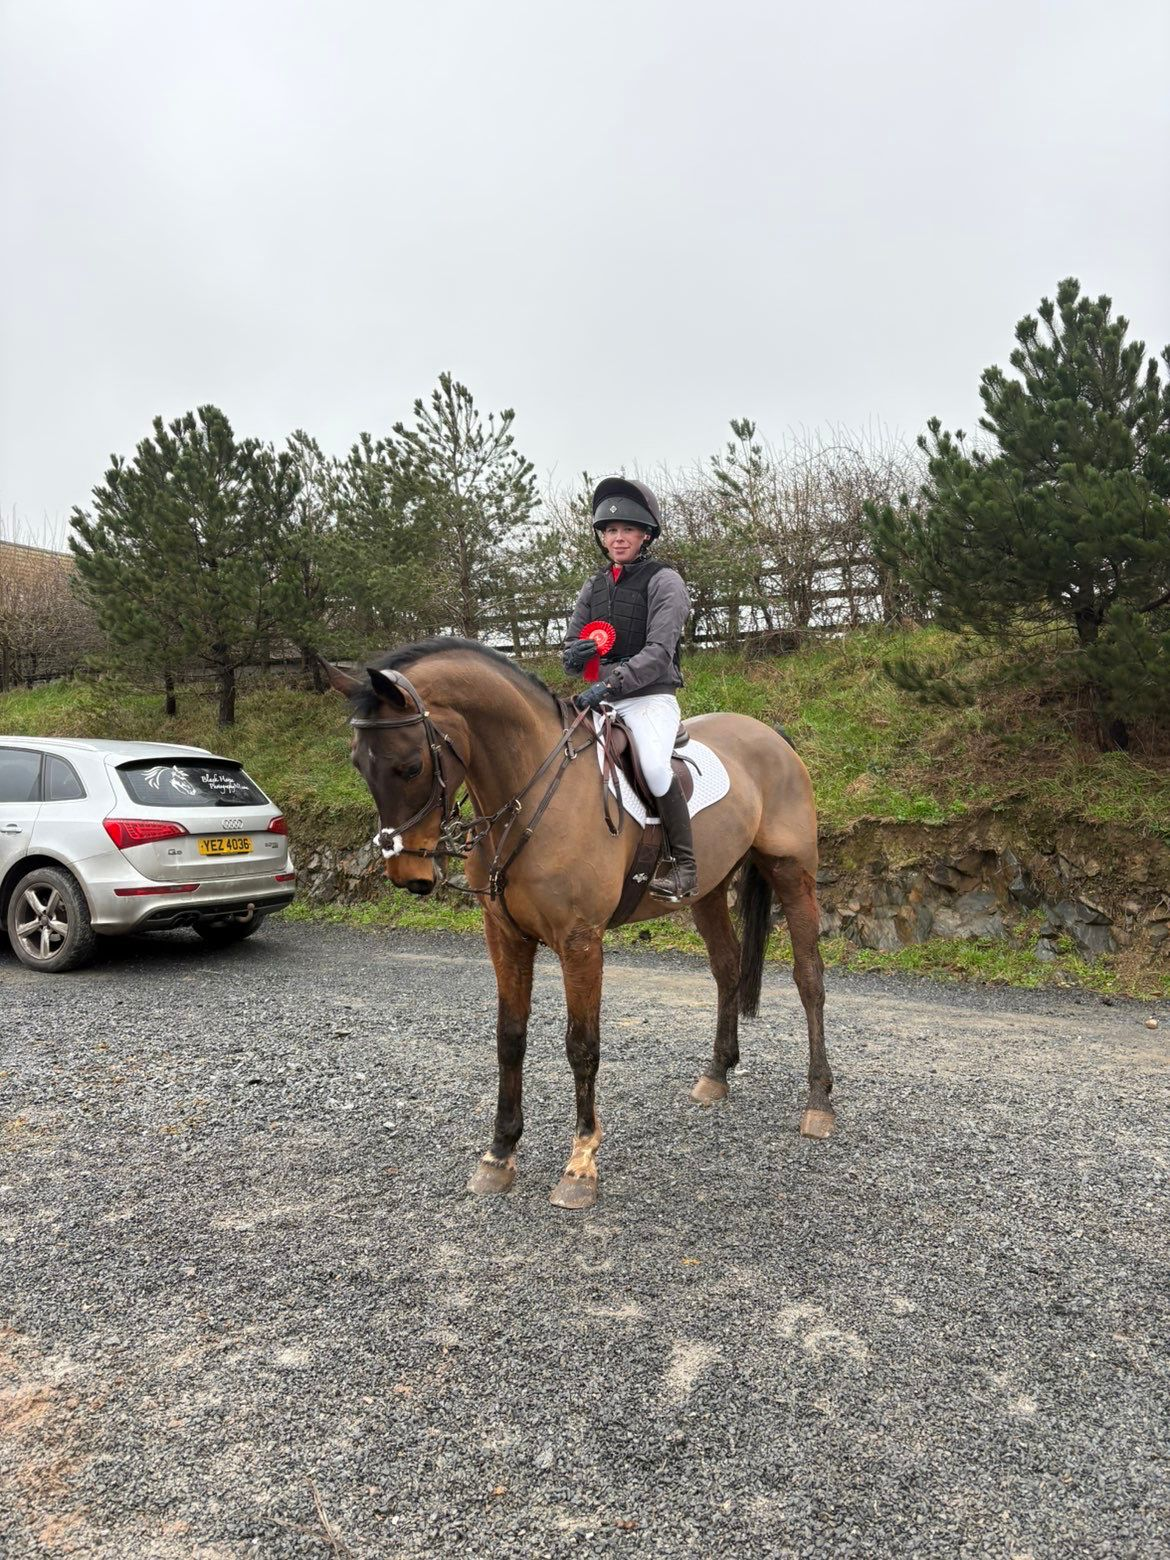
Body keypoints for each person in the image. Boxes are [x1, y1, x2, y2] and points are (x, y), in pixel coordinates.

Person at [562, 477, 697, 901]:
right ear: (602, 538)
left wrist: (608, 681)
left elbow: (659, 652)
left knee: (656, 770)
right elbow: (570, 647)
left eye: (627, 531)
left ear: (645, 535)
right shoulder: (593, 586)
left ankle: (685, 866)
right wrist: (576, 655)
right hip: (599, 699)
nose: (617, 538)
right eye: (610, 532)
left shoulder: (665, 582)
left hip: (650, 697)